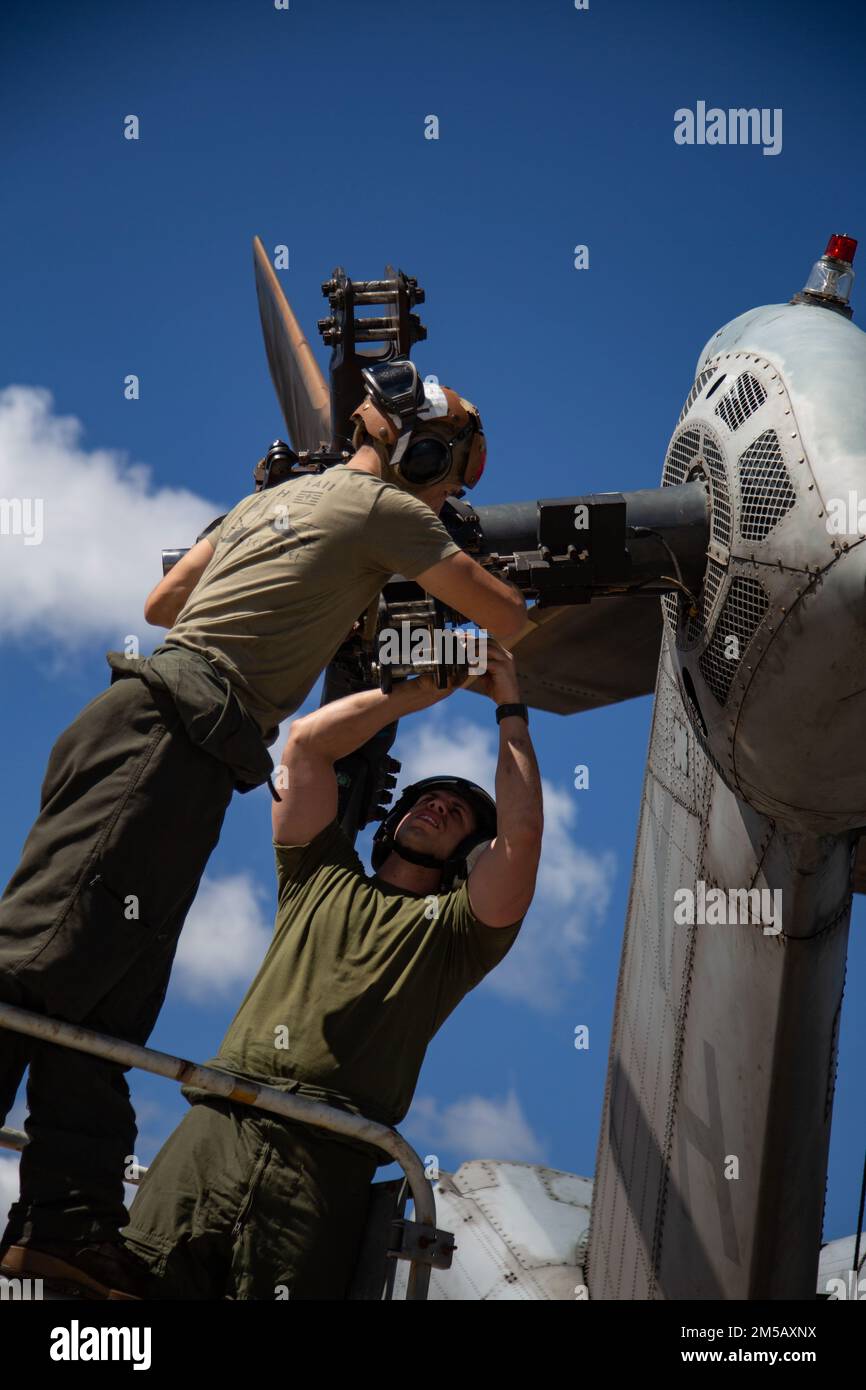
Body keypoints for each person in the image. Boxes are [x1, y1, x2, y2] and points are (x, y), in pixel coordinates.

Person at [0, 369, 529, 1293]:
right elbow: (508, 615)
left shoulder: (279, 498)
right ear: (425, 452)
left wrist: (318, 587)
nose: (449, 497)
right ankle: (63, 1215)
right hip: (169, 733)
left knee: (107, 1003)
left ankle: (67, 1221)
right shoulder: (389, 510)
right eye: (450, 475)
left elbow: (165, 603)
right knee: (38, 961)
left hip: (183, 740)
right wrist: (446, 649)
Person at [113, 642, 542, 1301]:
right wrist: (430, 685)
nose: (441, 808)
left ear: (469, 856)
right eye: (428, 800)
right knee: (122, 1308)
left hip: (325, 1167)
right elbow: (305, 749)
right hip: (217, 1128)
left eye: (461, 815)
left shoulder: (458, 935)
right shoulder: (318, 872)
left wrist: (509, 706)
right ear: (392, 818)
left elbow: (520, 844)